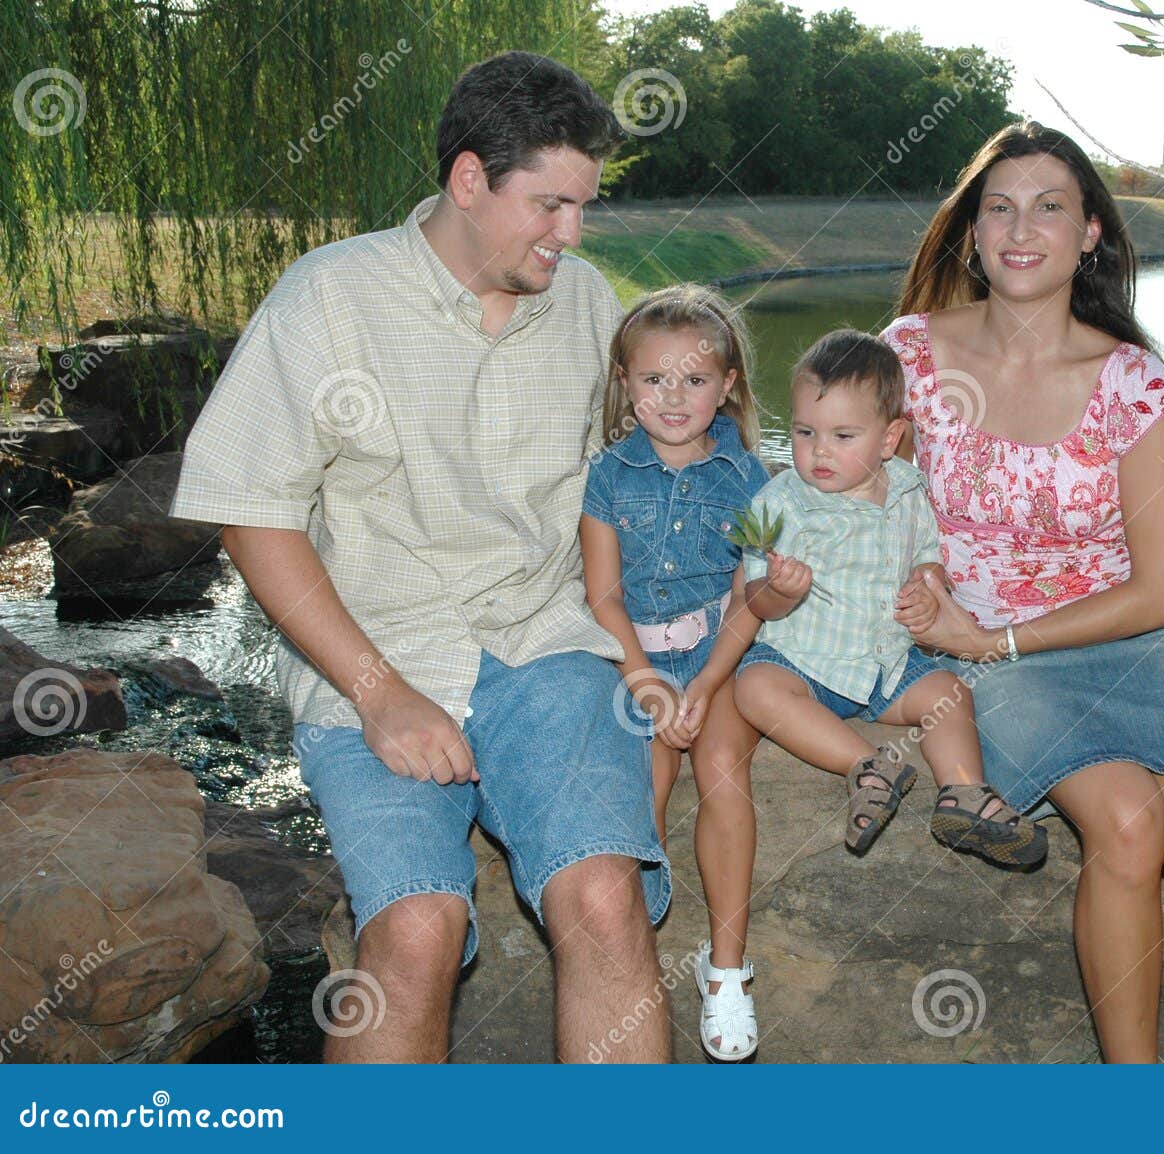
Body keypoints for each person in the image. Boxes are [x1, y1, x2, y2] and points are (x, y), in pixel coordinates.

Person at [170, 52, 672, 1063]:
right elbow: (250, 511)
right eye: (550, 205)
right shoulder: (330, 297)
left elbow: (645, 477)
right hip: (377, 655)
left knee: (606, 899)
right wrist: (379, 690)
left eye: (583, 207)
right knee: (413, 930)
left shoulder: (583, 305)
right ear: (470, 180)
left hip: (543, 647)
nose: (570, 236)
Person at [881, 120, 1164, 1062]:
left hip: (1126, 640)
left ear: (1090, 232)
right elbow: (861, 495)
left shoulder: (1132, 380)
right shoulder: (913, 357)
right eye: (997, 207)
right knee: (1127, 821)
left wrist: (995, 642)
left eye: (1050, 206)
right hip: (982, 647)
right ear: (969, 232)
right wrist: (920, 580)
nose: (1019, 228)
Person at [733, 329, 1047, 869]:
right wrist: (778, 592)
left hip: (888, 666)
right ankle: (869, 766)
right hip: (803, 662)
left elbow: (928, 560)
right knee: (756, 687)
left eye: (843, 436)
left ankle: (963, 792)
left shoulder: (908, 488)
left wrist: (928, 590)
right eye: (805, 432)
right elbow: (756, 600)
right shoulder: (782, 499)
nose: (818, 451)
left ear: (888, 437)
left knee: (947, 690)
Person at [579, 285, 768, 1062]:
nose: (673, 396)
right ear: (626, 383)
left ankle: (727, 971)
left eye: (694, 379)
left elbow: (751, 594)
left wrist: (704, 682)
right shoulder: (607, 475)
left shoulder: (755, 479)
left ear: (727, 385)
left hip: (723, 654)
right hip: (635, 656)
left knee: (721, 769)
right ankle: (635, 964)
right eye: (654, 379)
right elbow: (602, 594)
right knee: (644, 785)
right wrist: (646, 680)